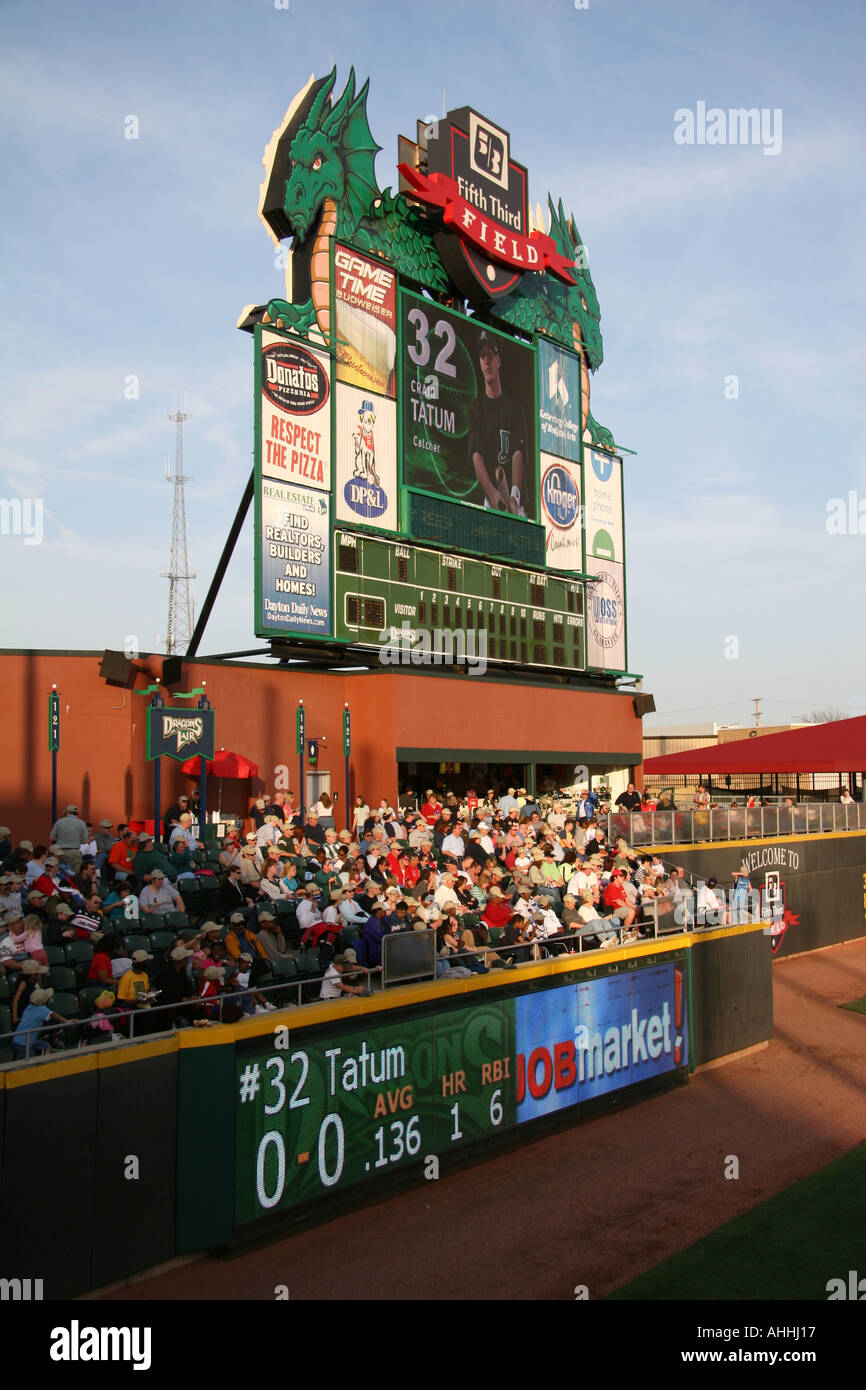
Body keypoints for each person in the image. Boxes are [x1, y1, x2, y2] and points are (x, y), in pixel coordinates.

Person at [467, 331, 528, 515]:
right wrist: (492, 492)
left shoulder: (515, 409)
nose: (486, 361)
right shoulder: (476, 408)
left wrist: (514, 495)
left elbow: (518, 453)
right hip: (491, 498)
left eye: (490, 355)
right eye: (482, 356)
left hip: (516, 501)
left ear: (498, 361)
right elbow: (476, 456)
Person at [12, 986, 71, 1057]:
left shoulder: (29, 1007)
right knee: (31, 1062)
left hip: (18, 1039)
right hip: (24, 1044)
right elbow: (53, 1014)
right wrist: (66, 1021)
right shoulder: (42, 1009)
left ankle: (48, 1054)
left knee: (45, 1045)